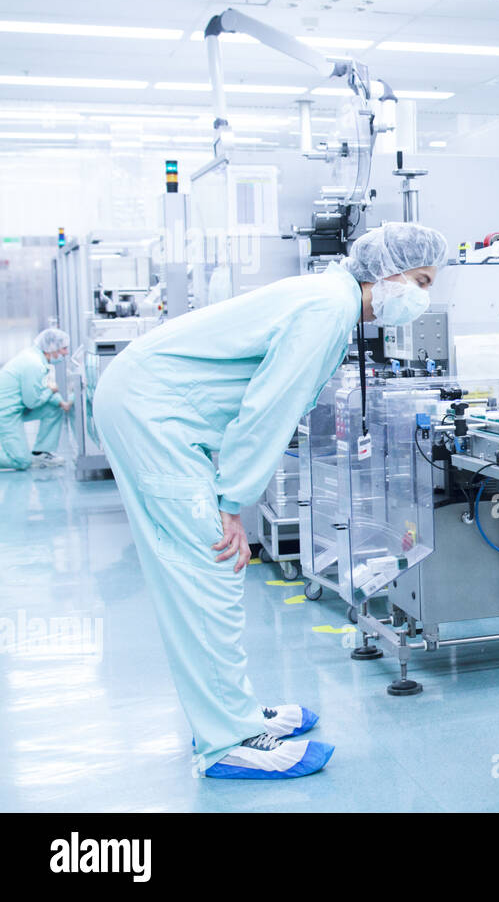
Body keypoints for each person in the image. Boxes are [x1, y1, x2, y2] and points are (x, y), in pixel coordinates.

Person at [94, 222, 444, 780]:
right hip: (150, 414)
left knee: (209, 571)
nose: (423, 297)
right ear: (390, 272)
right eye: (421, 281)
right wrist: (233, 502)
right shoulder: (328, 309)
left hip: (154, 406)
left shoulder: (330, 298)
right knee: (207, 569)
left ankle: (230, 713)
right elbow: (269, 405)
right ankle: (226, 741)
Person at [0, 328, 73, 471]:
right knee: (21, 462)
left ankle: (41, 452)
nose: (66, 353)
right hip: (5, 413)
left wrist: (60, 402)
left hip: (17, 407)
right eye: (64, 348)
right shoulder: (33, 364)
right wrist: (51, 390)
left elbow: (42, 388)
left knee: (53, 408)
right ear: (51, 347)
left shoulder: (37, 357)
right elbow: (32, 402)